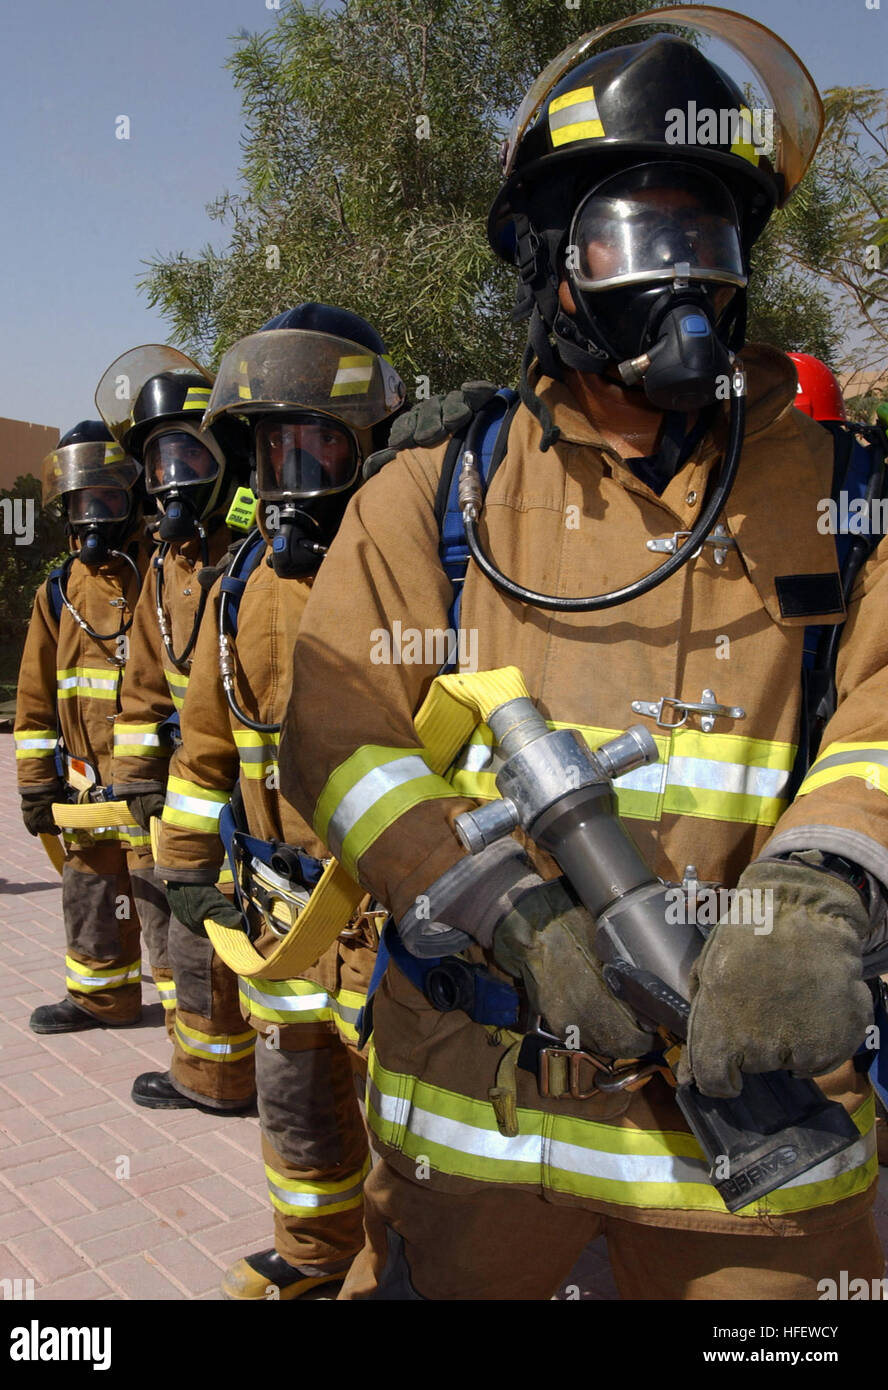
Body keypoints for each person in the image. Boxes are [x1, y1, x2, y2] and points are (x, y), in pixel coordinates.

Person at [279, 15, 887, 1299]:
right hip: (473, 1133)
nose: (679, 278)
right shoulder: (436, 492)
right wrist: (513, 914)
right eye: (635, 236)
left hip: (755, 1171)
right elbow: (339, 740)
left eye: (703, 237)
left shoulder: (848, 494)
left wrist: (820, 889)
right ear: (554, 262)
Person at [153, 304, 407, 1298]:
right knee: (298, 1112)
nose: (291, 473)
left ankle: (393, 1277)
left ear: (367, 447)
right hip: (275, 923)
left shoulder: (418, 582)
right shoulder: (238, 586)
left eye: (316, 446)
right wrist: (184, 878)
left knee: (409, 1135)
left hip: (390, 927)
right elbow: (203, 749)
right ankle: (312, 1262)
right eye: (272, 449)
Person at [96, 347, 259, 1111]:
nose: (170, 478)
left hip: (260, 796)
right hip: (187, 797)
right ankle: (212, 1074)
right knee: (189, 934)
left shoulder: (261, 555)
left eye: (187, 453)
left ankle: (263, 1076)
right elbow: (140, 686)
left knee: (263, 934)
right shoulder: (166, 568)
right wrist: (135, 781)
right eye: (157, 460)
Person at [15, 421, 158, 1031]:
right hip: (84, 788)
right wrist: (34, 784)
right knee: (92, 896)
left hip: (154, 786)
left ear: (134, 502)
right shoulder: (57, 592)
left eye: (107, 501)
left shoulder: (159, 573)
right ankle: (100, 998)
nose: (94, 518)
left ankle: (198, 1039)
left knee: (162, 906)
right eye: (82, 504)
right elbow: (34, 696)